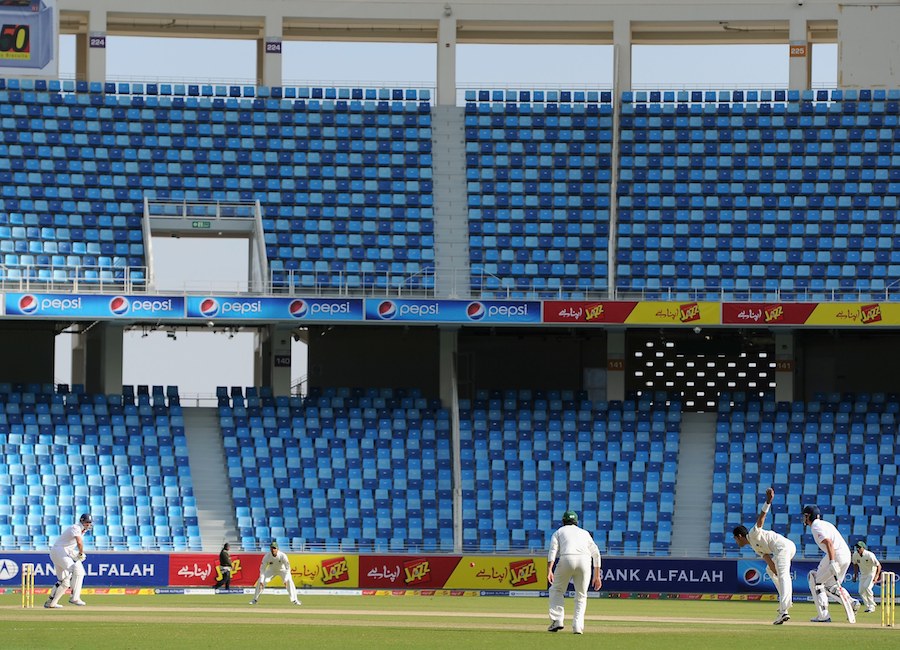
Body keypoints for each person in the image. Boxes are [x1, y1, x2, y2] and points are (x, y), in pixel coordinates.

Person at [732, 487, 797, 625]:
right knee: (771, 571)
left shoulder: (753, 533)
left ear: (739, 536)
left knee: (784, 574)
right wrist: (777, 575)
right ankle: (786, 602)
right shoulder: (755, 548)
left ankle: (784, 610)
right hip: (785, 549)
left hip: (783, 547)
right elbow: (771, 564)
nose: (736, 542)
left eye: (735, 539)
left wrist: (768, 501)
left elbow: (761, 519)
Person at [546, 510, 602, 635]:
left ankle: (557, 620)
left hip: (566, 558)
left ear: (563, 521)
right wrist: (597, 575)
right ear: (576, 522)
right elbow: (596, 553)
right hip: (584, 561)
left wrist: (549, 569)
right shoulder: (584, 533)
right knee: (581, 595)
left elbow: (553, 551)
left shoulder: (559, 532)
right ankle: (577, 626)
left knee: (556, 590)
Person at [802, 504, 860, 623]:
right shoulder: (825, 523)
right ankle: (851, 602)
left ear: (808, 516)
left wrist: (832, 562)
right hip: (845, 555)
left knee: (815, 579)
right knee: (830, 586)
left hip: (836, 555)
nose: (804, 518)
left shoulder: (816, 527)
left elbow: (828, 543)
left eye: (804, 516)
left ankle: (823, 615)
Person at [44, 513, 92, 609]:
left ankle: (51, 603)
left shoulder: (82, 531)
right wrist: (81, 553)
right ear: (82, 521)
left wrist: (75, 554)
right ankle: (75, 597)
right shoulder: (76, 528)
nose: (88, 524)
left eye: (90, 522)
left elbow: (68, 546)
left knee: (64, 581)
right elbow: (79, 542)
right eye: (87, 522)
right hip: (59, 551)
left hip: (60, 552)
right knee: (79, 571)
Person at [249, 541, 300, 606]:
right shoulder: (267, 556)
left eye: (274, 548)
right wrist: (262, 580)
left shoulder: (283, 555)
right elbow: (262, 569)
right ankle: (255, 599)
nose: (273, 550)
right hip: (271, 570)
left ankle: (295, 600)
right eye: (272, 548)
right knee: (260, 582)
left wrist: (285, 580)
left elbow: (288, 569)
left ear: (277, 549)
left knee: (289, 581)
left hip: (283, 570)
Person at [851, 540, 882, 613]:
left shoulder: (870, 555)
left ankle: (872, 606)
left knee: (867, 587)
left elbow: (879, 566)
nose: (858, 549)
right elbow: (855, 564)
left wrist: (876, 576)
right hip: (863, 574)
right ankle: (868, 606)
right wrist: (855, 575)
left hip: (871, 573)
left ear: (863, 548)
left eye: (859, 547)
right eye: (857, 547)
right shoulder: (855, 555)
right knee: (861, 591)